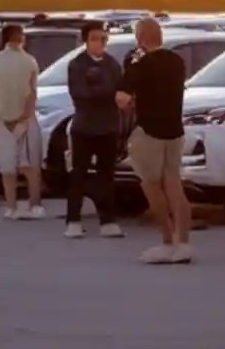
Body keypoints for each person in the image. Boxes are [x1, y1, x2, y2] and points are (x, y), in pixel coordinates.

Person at [117, 17, 191, 264]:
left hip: (149, 132)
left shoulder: (140, 63)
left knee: (151, 185)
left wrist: (133, 102)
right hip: (175, 131)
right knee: (174, 186)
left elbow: (122, 98)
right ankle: (184, 244)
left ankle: (167, 241)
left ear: (140, 38)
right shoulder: (177, 61)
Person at [64, 21, 125, 239]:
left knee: (106, 175)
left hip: (108, 127)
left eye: (103, 39)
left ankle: (108, 220)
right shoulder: (76, 64)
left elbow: (121, 88)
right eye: (95, 39)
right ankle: (73, 219)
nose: (100, 43)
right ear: (85, 40)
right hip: (84, 128)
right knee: (78, 174)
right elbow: (80, 94)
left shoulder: (112, 64)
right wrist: (110, 95)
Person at [0, 24, 46, 220]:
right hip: (25, 119)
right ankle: (35, 205)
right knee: (30, 166)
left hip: (2, 120)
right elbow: (32, 91)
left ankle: (10, 206)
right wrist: (25, 116)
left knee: (7, 167)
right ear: (20, 38)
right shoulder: (29, 61)